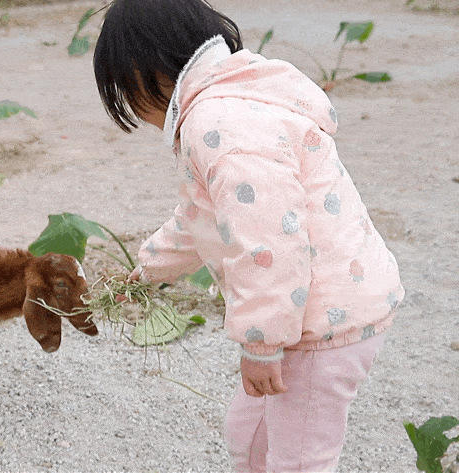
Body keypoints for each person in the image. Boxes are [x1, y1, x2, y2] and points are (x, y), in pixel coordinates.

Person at [92, 0, 404, 471]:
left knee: (299, 459)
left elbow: (270, 240)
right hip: (305, 313)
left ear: (144, 73)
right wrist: (149, 267)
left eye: (127, 95)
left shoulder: (220, 123)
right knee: (248, 431)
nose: (135, 113)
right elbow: (201, 216)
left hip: (319, 325)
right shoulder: (234, 101)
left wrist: (261, 344)